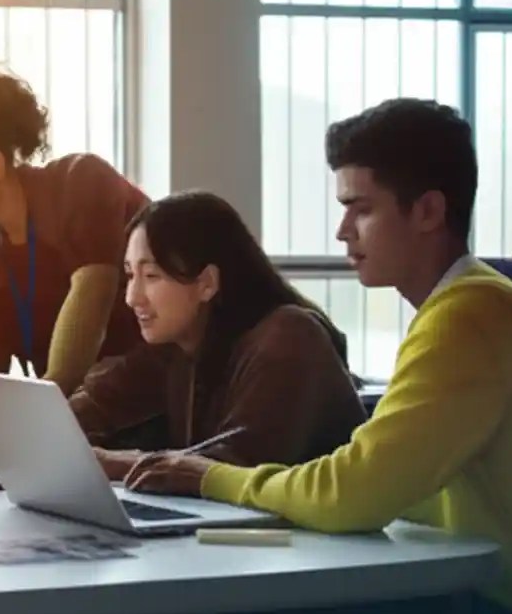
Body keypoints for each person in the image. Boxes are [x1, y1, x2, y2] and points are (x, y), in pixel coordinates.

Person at [124, 98, 512, 614]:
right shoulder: (469, 306)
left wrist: (208, 477)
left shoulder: (468, 315)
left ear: (428, 211)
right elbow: (390, 486)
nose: (343, 231)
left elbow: (353, 493)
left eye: (360, 209)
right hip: (455, 595)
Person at [0, 59, 149, 450]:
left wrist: (33, 415)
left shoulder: (80, 184)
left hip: (145, 394)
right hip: (67, 414)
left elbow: (91, 298)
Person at [71, 191, 364, 479]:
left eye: (151, 276)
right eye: (130, 275)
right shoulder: (177, 344)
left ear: (207, 283)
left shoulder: (289, 338)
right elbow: (98, 402)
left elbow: (237, 465)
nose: (132, 298)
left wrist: (113, 464)